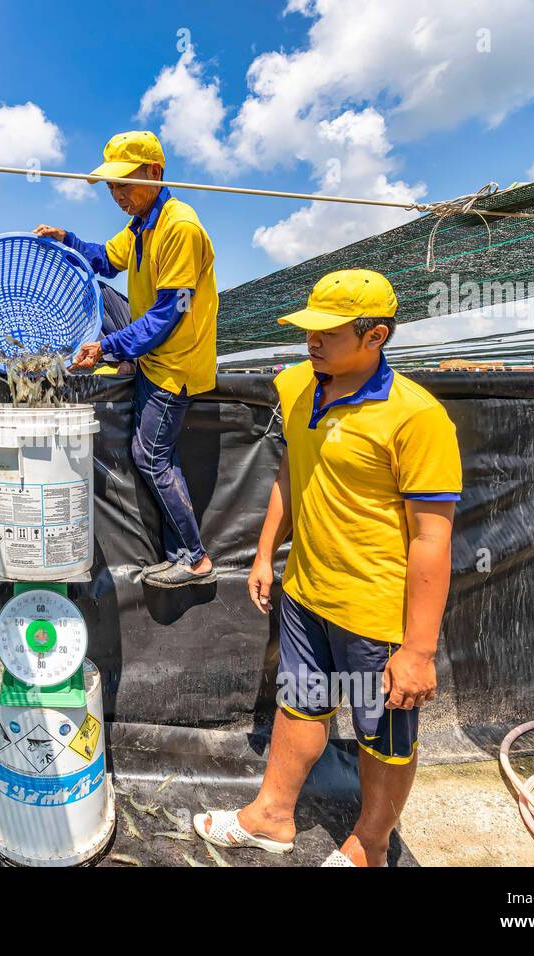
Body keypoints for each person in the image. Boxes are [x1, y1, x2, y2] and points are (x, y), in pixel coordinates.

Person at [194, 270, 461, 866]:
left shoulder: (416, 419)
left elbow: (431, 538)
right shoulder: (298, 385)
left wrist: (417, 650)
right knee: (301, 704)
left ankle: (370, 842)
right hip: (308, 597)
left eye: (328, 333)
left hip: (373, 614)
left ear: (376, 337)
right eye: (308, 330)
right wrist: (267, 554)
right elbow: (292, 468)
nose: (310, 343)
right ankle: (271, 816)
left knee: (383, 737)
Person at [34, 129, 218, 588]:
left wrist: (110, 348)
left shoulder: (179, 227)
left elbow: (169, 314)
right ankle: (178, 552)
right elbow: (104, 260)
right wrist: (67, 239)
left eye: (125, 184)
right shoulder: (141, 225)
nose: (117, 195)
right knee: (92, 285)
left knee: (150, 454)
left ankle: (194, 558)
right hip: (150, 354)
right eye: (112, 187)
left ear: (155, 173)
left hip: (175, 364)